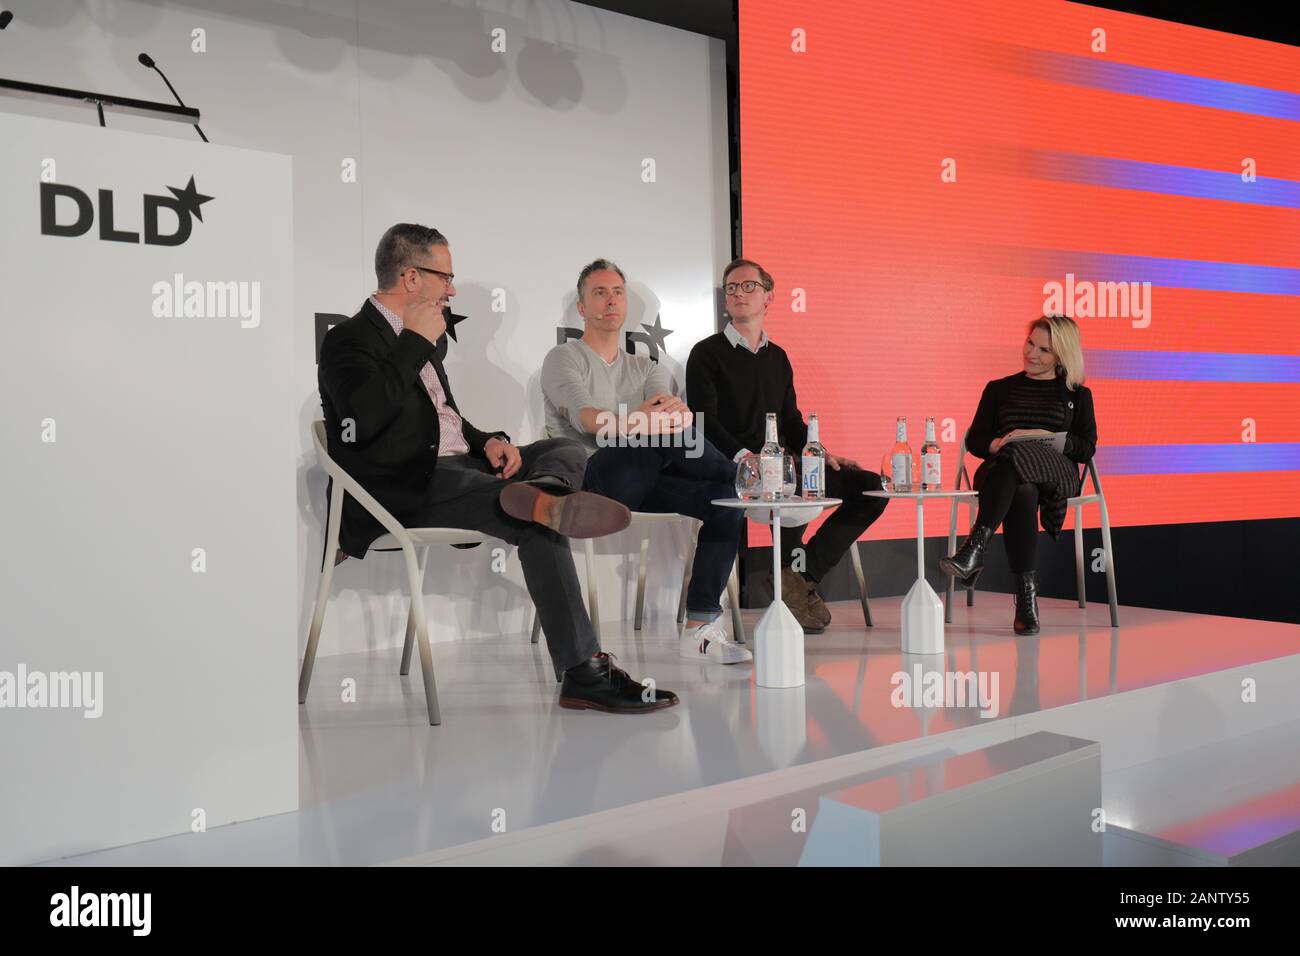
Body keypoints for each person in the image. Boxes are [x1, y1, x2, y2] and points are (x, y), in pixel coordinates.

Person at [318, 224, 678, 713]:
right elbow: (364, 422)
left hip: (458, 468)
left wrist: (486, 441)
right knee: (537, 523)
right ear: (410, 277)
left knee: (564, 451)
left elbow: (441, 417)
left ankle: (546, 492)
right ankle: (583, 670)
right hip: (401, 484)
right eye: (444, 277)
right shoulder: (349, 340)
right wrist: (415, 345)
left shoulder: (424, 338)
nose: (450, 289)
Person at [540, 259, 750, 664]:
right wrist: (642, 421)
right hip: (593, 479)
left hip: (648, 475)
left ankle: (701, 627)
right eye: (599, 293)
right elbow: (587, 421)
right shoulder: (563, 358)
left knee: (726, 498)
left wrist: (654, 421)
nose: (610, 301)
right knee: (664, 435)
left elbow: (673, 416)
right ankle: (748, 477)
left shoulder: (647, 366)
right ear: (582, 308)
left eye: (617, 292)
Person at [685, 258, 889, 633]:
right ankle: (789, 587)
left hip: (786, 467)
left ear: (769, 297)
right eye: (731, 288)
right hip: (737, 470)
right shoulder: (706, 353)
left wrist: (821, 452)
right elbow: (704, 421)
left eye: (749, 286)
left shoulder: (778, 357)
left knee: (870, 486)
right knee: (786, 488)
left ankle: (801, 578)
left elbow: (792, 421)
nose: (738, 294)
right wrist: (747, 459)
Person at [939, 314, 1098, 636]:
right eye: (1030, 343)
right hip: (1002, 473)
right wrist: (998, 442)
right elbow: (977, 440)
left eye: (1043, 350)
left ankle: (974, 549)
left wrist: (1046, 435)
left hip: (1053, 474)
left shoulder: (1077, 395)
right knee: (1021, 486)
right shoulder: (999, 389)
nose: (1031, 354)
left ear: (1061, 356)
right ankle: (1026, 600)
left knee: (1020, 460)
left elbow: (1086, 447)